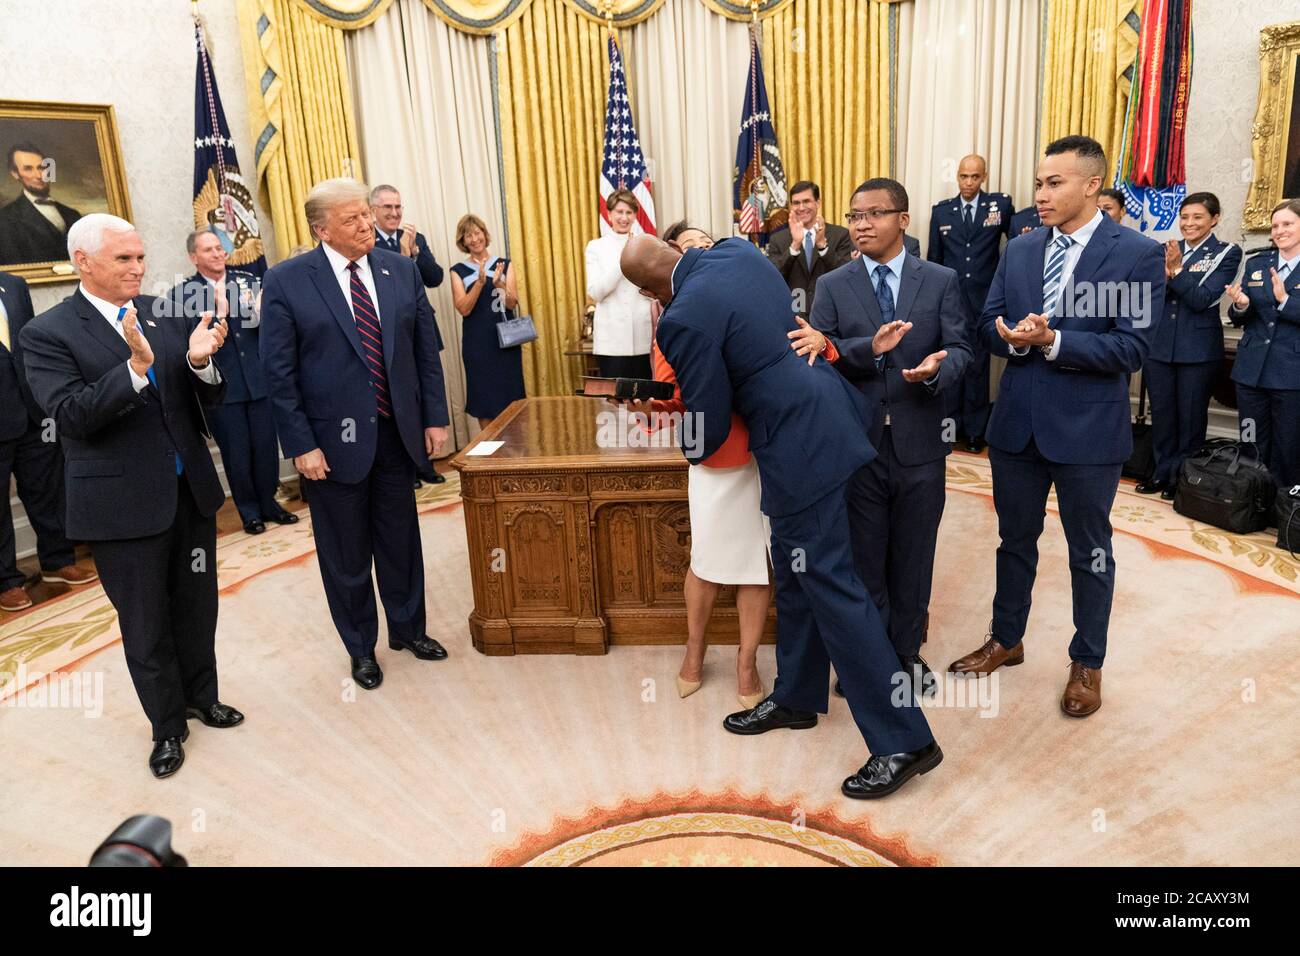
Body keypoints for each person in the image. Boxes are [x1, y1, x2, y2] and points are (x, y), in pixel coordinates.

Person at [620, 234, 941, 800]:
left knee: (836, 590)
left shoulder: (681, 319)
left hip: (799, 448)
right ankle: (796, 695)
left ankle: (903, 739)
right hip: (830, 413)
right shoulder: (738, 252)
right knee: (795, 575)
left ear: (650, 291)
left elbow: (710, 418)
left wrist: (681, 434)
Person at [946, 135, 1165, 719]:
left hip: (1088, 433)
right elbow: (989, 322)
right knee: (1013, 541)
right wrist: (1011, 335)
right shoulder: (1019, 250)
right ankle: (1007, 638)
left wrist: (1055, 340)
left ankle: (1087, 661)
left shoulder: (1136, 253)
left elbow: (1132, 347)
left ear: (1091, 185)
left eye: (1054, 183)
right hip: (1017, 424)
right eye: (1039, 183)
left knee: (1088, 550)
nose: (1039, 194)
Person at [20, 214, 242, 778]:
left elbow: (198, 403)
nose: (138, 268)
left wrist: (197, 362)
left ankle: (202, 696)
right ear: (83, 262)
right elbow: (71, 416)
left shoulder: (163, 316)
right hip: (120, 507)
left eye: (141, 256)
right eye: (124, 259)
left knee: (197, 608)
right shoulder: (46, 334)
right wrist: (135, 370)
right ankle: (168, 728)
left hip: (188, 491)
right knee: (146, 623)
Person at [260, 178, 451, 690]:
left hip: (396, 435)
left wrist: (435, 417)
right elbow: (279, 373)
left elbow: (422, 352)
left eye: (367, 215)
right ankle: (360, 648)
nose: (367, 224)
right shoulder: (288, 280)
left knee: (401, 541)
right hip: (329, 444)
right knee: (345, 555)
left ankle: (409, 630)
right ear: (321, 229)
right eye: (353, 220)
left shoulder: (401, 269)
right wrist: (301, 444)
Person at [793, 178, 970, 686]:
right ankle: (868, 662)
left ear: (903, 220)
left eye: (874, 214)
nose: (862, 225)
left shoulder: (939, 280)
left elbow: (963, 350)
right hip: (857, 444)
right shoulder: (832, 284)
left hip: (921, 441)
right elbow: (818, 353)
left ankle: (907, 654)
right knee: (864, 558)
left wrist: (936, 369)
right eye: (854, 216)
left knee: (913, 556)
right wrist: (865, 349)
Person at [645, 221, 768, 708]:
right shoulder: (675, 321)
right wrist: (656, 406)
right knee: (709, 558)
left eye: (707, 243)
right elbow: (673, 391)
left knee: (756, 563)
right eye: (688, 246)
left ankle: (747, 659)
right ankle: (694, 647)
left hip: (760, 443)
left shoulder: (750, 297)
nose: (701, 251)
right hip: (714, 451)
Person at [169, 229, 298, 534]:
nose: (217, 253)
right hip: (221, 388)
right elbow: (186, 341)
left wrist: (261, 310)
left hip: (259, 380)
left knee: (266, 447)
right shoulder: (182, 293)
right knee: (237, 453)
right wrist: (216, 311)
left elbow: (273, 326)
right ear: (193, 257)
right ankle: (249, 512)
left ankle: (270, 504)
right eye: (209, 249)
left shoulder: (251, 281)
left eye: (220, 248)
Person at [0, 269, 97, 611]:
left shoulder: (13, 285)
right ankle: (7, 581)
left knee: (48, 490)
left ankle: (57, 560)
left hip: (31, 411)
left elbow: (26, 347)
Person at [1137, 192, 1242, 498]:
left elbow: (1202, 298)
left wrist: (1177, 272)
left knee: (1190, 419)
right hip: (1159, 347)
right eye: (1184, 217)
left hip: (1197, 349)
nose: (1189, 223)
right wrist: (1172, 274)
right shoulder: (1166, 249)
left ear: (1214, 219)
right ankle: (1161, 472)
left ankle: (1183, 479)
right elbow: (1147, 293)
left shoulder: (1226, 252)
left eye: (1197, 217)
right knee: (1163, 415)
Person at [927, 154, 1014, 453]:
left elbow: (1014, 247)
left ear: (984, 177)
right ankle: (950, 429)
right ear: (957, 177)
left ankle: (976, 432)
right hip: (951, 301)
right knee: (950, 363)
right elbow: (933, 260)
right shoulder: (942, 212)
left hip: (984, 300)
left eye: (974, 177)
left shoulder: (1000, 206)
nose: (968, 182)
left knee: (978, 367)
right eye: (963, 176)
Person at [1224, 198, 1300, 488]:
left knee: (1288, 447)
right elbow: (1242, 316)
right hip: (1250, 373)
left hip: (1291, 375)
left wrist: (1285, 301)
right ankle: (1248, 501)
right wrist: (1242, 305)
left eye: (1288, 224)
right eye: (1275, 225)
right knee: (1250, 440)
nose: (1280, 231)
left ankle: (1281, 510)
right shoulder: (1258, 263)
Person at [449, 214, 526, 429]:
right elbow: (463, 308)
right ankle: (490, 455)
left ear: (484, 234)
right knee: (484, 400)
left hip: (505, 341)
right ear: (462, 242)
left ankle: (516, 454)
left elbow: (512, 303)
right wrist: (479, 284)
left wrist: (500, 283)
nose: (474, 239)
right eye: (468, 235)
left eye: (477, 232)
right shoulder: (457, 271)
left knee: (511, 398)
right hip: (477, 344)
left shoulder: (504, 264)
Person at [585, 189, 653, 379]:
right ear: (609, 214)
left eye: (629, 212)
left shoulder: (646, 243)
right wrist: (624, 257)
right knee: (616, 403)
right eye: (619, 212)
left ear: (635, 216)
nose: (624, 217)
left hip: (643, 336)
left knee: (645, 400)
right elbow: (596, 293)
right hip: (611, 342)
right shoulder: (596, 247)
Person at [765, 180, 854, 316]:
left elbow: (847, 274)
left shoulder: (840, 234)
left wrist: (822, 246)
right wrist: (794, 246)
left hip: (830, 312)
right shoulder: (778, 239)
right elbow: (772, 276)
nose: (801, 207)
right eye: (796, 203)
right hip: (793, 314)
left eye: (806, 201)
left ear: (818, 203)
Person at [0, 143, 84, 265]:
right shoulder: (5, 219)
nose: (39, 175)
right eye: (28, 169)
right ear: (15, 174)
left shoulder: (72, 214)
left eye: (41, 167)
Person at [368, 185, 445, 290]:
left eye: (398, 207)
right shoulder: (367, 242)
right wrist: (404, 257)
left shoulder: (415, 238)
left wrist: (415, 253)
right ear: (373, 211)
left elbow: (435, 280)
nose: (395, 213)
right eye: (388, 207)